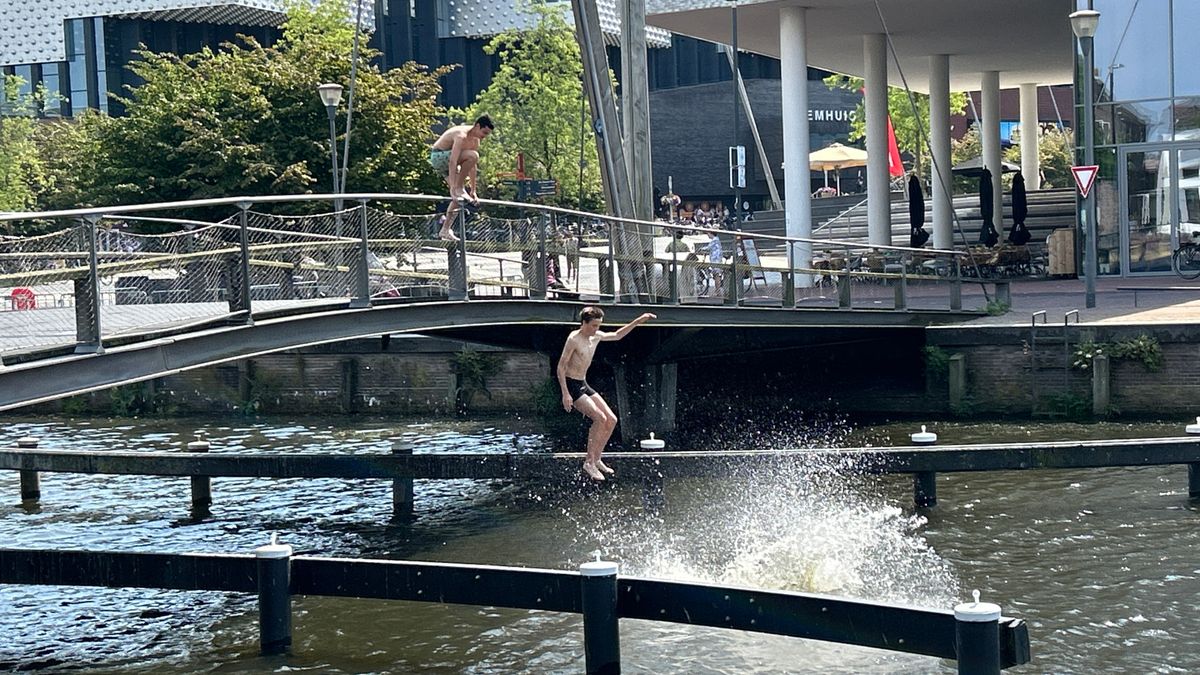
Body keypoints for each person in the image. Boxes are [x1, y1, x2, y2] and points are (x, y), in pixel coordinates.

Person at [557, 307, 656, 481]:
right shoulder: (574, 339)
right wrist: (565, 393)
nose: (596, 329)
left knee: (611, 419)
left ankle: (597, 458)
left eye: (598, 325)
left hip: (583, 383)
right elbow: (561, 366)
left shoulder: (596, 337)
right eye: (593, 325)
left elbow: (617, 335)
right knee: (599, 418)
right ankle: (589, 462)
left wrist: (638, 321)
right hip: (572, 384)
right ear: (584, 323)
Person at [430, 115, 495, 241]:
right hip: (438, 157)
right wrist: (454, 188)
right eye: (484, 132)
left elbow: (472, 167)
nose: (484, 136)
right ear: (477, 126)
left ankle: (445, 229)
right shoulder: (461, 135)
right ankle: (458, 188)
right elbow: (453, 162)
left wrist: (473, 191)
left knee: (460, 199)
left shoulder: (475, 140)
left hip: (450, 163)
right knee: (473, 155)